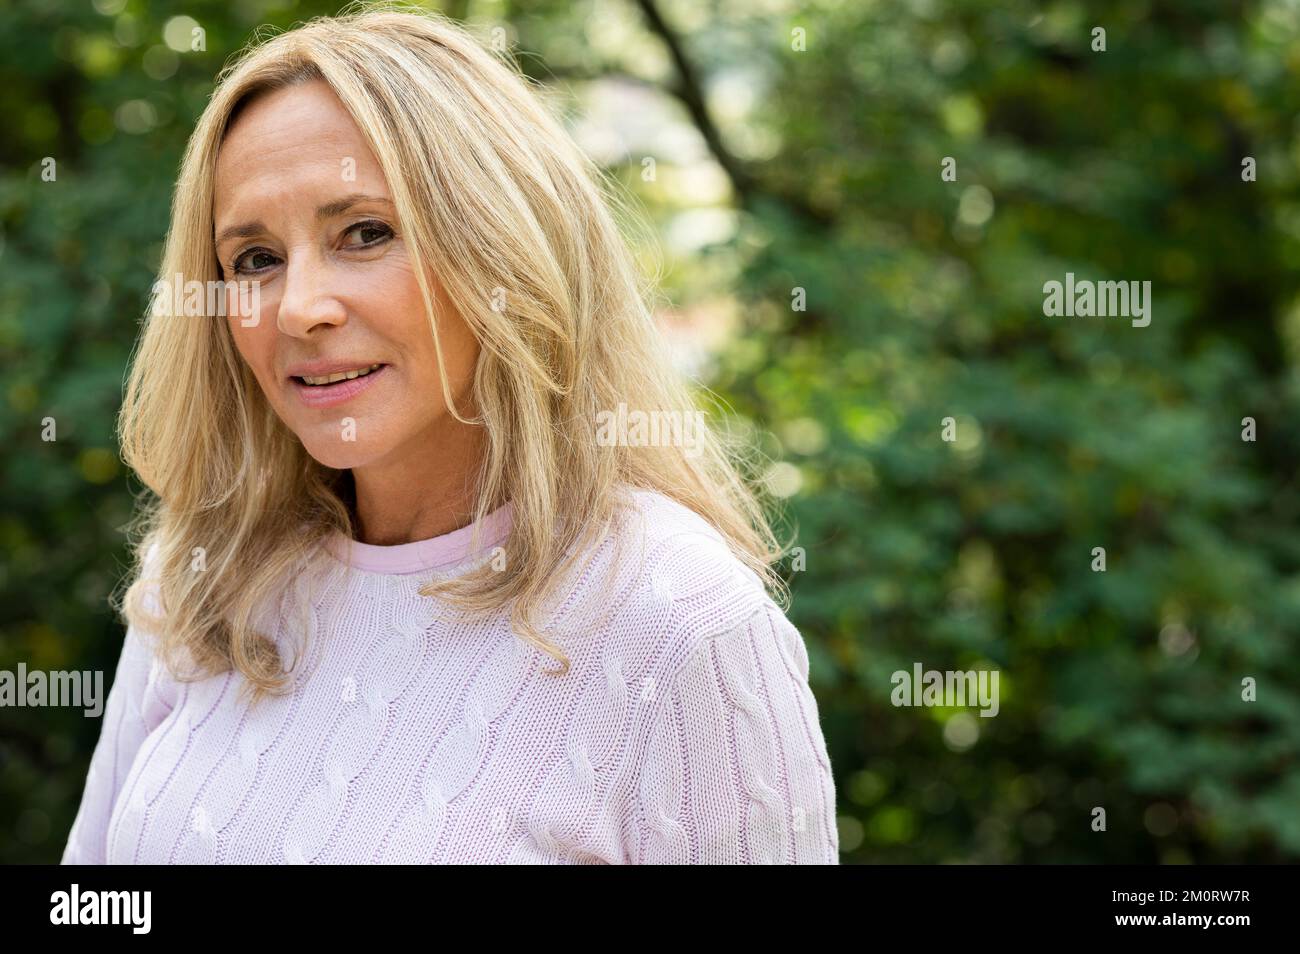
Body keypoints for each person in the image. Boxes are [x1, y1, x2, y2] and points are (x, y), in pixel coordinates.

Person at [61, 7, 838, 865]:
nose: (299, 307)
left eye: (365, 233)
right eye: (254, 259)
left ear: (501, 247)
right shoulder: (201, 576)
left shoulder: (684, 623)